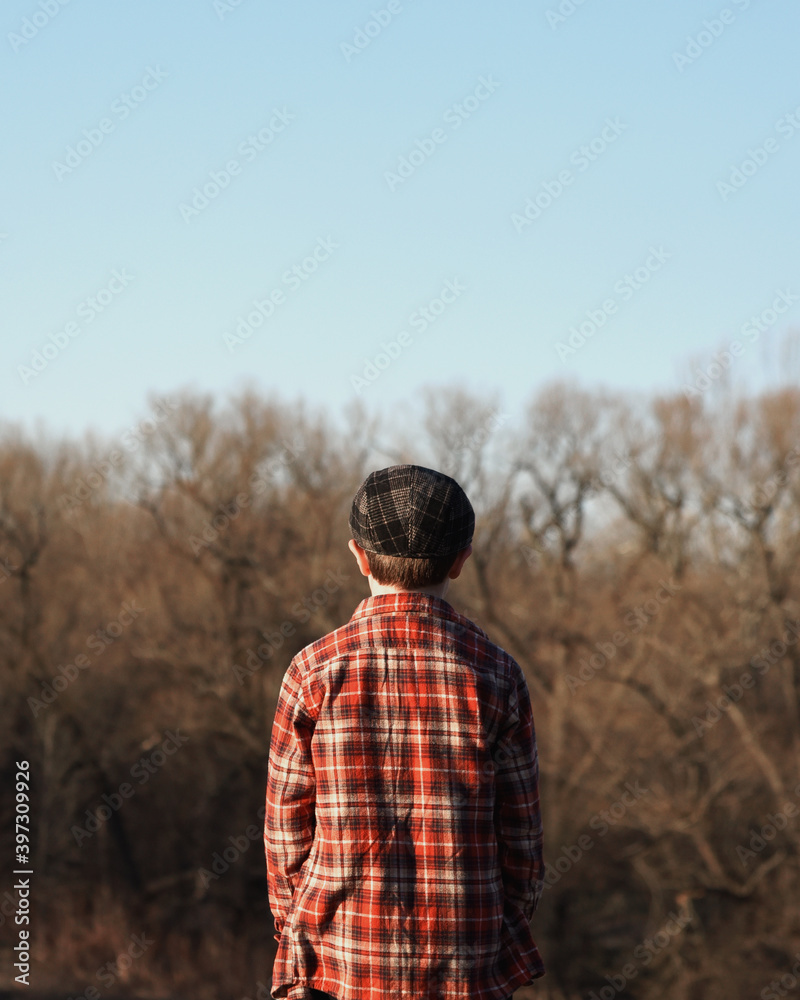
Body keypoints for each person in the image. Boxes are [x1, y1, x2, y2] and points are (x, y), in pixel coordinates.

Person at [264, 464, 545, 999]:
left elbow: (285, 838)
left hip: (337, 968)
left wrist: (295, 932)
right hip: (467, 964)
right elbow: (523, 846)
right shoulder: (497, 674)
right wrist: (491, 927)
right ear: (461, 561)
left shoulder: (311, 671)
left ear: (359, 556)